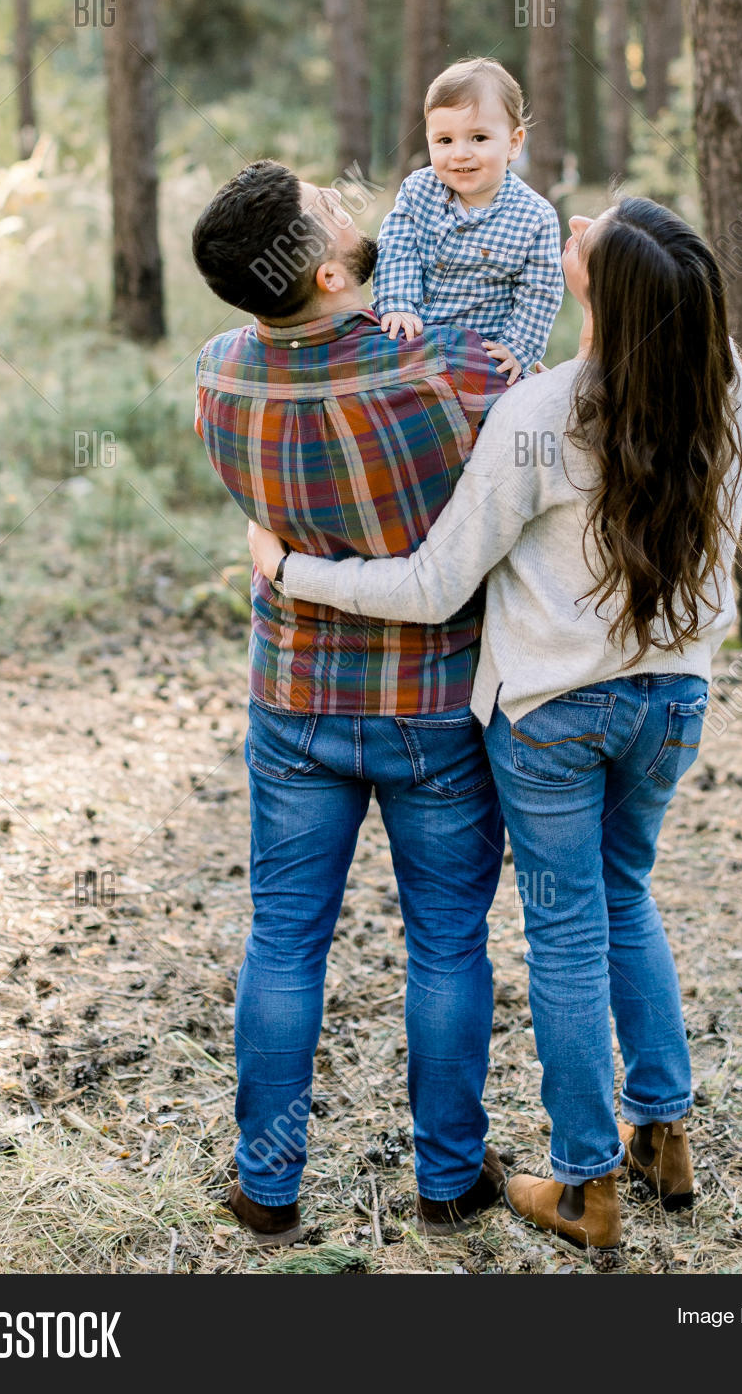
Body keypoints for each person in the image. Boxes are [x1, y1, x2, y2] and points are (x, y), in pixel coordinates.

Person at [249, 196, 742, 1264]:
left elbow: (438, 586)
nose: (570, 221)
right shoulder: (731, 395)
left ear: (596, 289)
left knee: (567, 928)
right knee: (627, 896)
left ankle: (585, 1185)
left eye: (589, 230)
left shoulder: (540, 415)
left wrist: (295, 570)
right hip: (673, 700)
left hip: (553, 717)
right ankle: (662, 1137)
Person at [191, 158, 514, 1247]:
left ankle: (266, 1188)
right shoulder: (448, 373)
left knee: (284, 941)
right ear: (329, 269)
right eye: (329, 210)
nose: (346, 201)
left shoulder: (217, 376)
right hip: (430, 702)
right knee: (447, 944)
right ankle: (449, 1181)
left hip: (292, 699)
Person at [373, 57, 565, 385]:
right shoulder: (418, 190)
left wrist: (518, 347)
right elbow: (397, 249)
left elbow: (540, 291)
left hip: (483, 357)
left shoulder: (535, 217)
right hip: (412, 340)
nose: (460, 153)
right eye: (445, 141)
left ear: (514, 143)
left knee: (497, 415)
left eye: (478, 138)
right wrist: (397, 302)